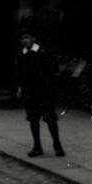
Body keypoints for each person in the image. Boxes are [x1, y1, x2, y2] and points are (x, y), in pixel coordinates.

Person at [16, 25, 64, 158]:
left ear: (33, 39)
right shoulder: (21, 55)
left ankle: (57, 146)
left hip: (44, 92)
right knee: (33, 120)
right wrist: (20, 87)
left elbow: (53, 70)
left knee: (50, 119)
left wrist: (50, 86)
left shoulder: (43, 53)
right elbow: (20, 73)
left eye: (27, 37)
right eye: (22, 39)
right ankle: (37, 147)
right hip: (29, 92)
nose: (24, 41)